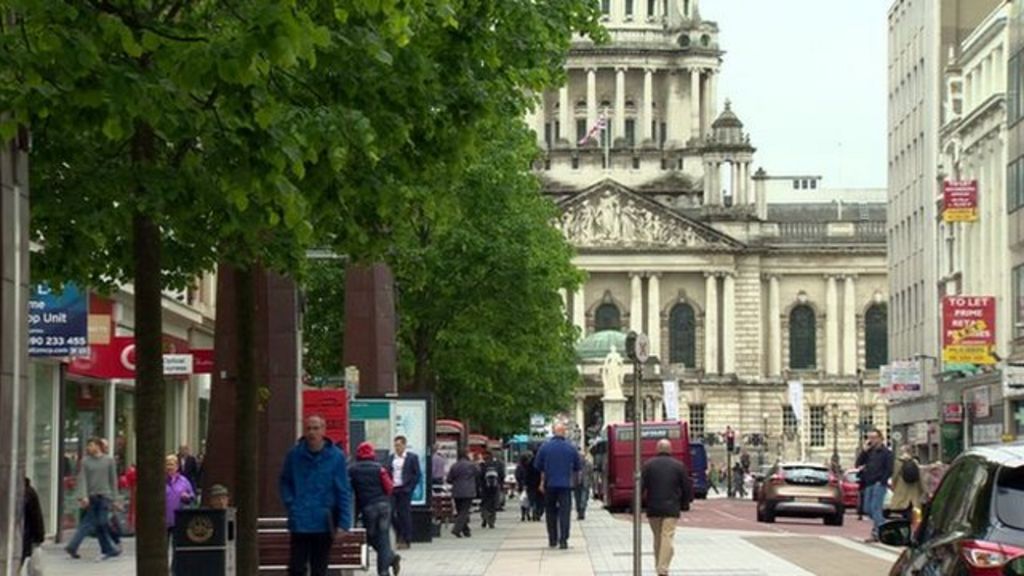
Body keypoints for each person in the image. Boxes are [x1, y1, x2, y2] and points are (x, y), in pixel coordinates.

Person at [279, 415, 353, 576]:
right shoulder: (294, 455)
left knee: (319, 568)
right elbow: (285, 481)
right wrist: (291, 503)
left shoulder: (336, 457)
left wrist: (344, 522)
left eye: (316, 428)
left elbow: (343, 490)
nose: (312, 432)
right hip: (300, 520)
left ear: (323, 431)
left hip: (324, 521)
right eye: (308, 428)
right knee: (296, 568)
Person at [349, 441, 401, 576]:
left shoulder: (352, 470)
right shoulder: (380, 468)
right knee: (383, 538)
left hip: (368, 508)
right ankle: (385, 568)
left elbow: (349, 490)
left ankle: (390, 559)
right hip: (384, 507)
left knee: (371, 538)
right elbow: (389, 488)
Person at [642, 439, 693, 576]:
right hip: (671, 507)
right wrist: (685, 503)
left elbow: (641, 487)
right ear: (670, 450)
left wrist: (635, 505)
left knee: (658, 538)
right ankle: (662, 568)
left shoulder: (648, 465)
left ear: (657, 449)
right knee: (667, 537)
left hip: (653, 507)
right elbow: (686, 486)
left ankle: (659, 565)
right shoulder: (678, 466)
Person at [65, 437, 120, 560]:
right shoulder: (85, 461)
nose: (88, 448)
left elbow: (113, 480)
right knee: (89, 524)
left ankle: (74, 546)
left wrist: (115, 498)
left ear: (97, 446)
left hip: (105, 496)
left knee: (100, 522)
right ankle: (108, 549)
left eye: (90, 445)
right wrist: (83, 496)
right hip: (91, 496)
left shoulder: (109, 461)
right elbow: (82, 479)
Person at [533, 423, 581, 550]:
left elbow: (538, 467)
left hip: (550, 484)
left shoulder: (544, 447)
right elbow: (577, 467)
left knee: (550, 512)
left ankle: (552, 539)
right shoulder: (571, 448)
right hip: (566, 485)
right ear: (564, 432)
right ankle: (564, 540)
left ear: (553, 432)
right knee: (565, 513)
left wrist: (542, 482)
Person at [855, 428, 893, 542]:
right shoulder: (869, 452)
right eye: (869, 438)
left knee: (875, 508)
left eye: (874, 438)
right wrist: (864, 451)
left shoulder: (887, 453)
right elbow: (858, 464)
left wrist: (882, 480)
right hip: (868, 483)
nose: (871, 440)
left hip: (879, 484)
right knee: (867, 509)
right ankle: (884, 526)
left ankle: (878, 532)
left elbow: (889, 469)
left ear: (881, 438)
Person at [387, 435, 422, 550]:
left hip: (404, 489)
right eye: (395, 445)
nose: (397, 448)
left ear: (404, 445)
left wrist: (410, 487)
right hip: (393, 489)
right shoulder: (391, 458)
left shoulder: (411, 458)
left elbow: (416, 474)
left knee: (404, 514)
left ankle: (406, 539)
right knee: (391, 513)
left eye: (399, 445)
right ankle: (399, 532)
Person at [446, 449, 478, 538]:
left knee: (460, 511)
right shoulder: (471, 465)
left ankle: (466, 531)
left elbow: (449, 479)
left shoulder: (454, 465)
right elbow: (478, 473)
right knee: (464, 512)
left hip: (456, 491)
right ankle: (456, 529)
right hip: (468, 491)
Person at [890, 445, 924, 520]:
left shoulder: (898, 462)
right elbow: (920, 477)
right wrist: (922, 490)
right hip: (914, 493)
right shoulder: (915, 462)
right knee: (915, 515)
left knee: (901, 515)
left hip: (901, 491)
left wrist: (893, 486)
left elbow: (894, 476)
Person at [165, 454, 195, 537]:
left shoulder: (184, 481)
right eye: (167, 464)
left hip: (179, 520)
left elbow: (192, 496)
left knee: (177, 547)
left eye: (171, 464)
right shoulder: (160, 481)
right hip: (163, 521)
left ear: (177, 466)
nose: (169, 467)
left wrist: (187, 497)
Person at [22, 477, 44, 571]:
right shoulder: (29, 492)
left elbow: (36, 517)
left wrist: (38, 537)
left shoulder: (28, 492)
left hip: (22, 538)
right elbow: (37, 517)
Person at [478, 451, 504, 529]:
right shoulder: (498, 464)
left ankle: (485, 518)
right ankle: (491, 521)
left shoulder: (483, 465)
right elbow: (502, 475)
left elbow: (479, 476)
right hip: (495, 487)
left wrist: (480, 486)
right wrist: (500, 484)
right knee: (493, 505)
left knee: (484, 504)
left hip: (485, 488)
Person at [573, 449, 593, 521]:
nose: (581, 458)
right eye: (579, 456)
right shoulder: (574, 465)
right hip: (576, 484)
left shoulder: (589, 464)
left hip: (585, 484)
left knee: (584, 499)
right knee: (577, 499)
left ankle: (582, 512)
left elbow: (591, 474)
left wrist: (590, 483)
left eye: (582, 456)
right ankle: (579, 512)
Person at [514, 453, 532, 521]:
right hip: (528, 486)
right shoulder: (529, 466)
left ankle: (523, 514)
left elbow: (517, 476)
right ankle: (528, 514)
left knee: (522, 501)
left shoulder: (519, 467)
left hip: (521, 486)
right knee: (528, 501)